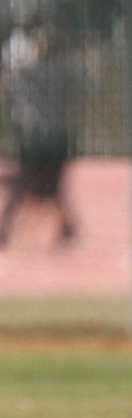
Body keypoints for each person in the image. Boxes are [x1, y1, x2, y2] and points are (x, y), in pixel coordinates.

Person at [0, 22, 82, 250]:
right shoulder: (65, 70)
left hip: (39, 137)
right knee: (46, 186)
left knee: (33, 185)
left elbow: (14, 92)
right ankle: (67, 228)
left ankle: (6, 229)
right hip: (55, 136)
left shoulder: (34, 70)